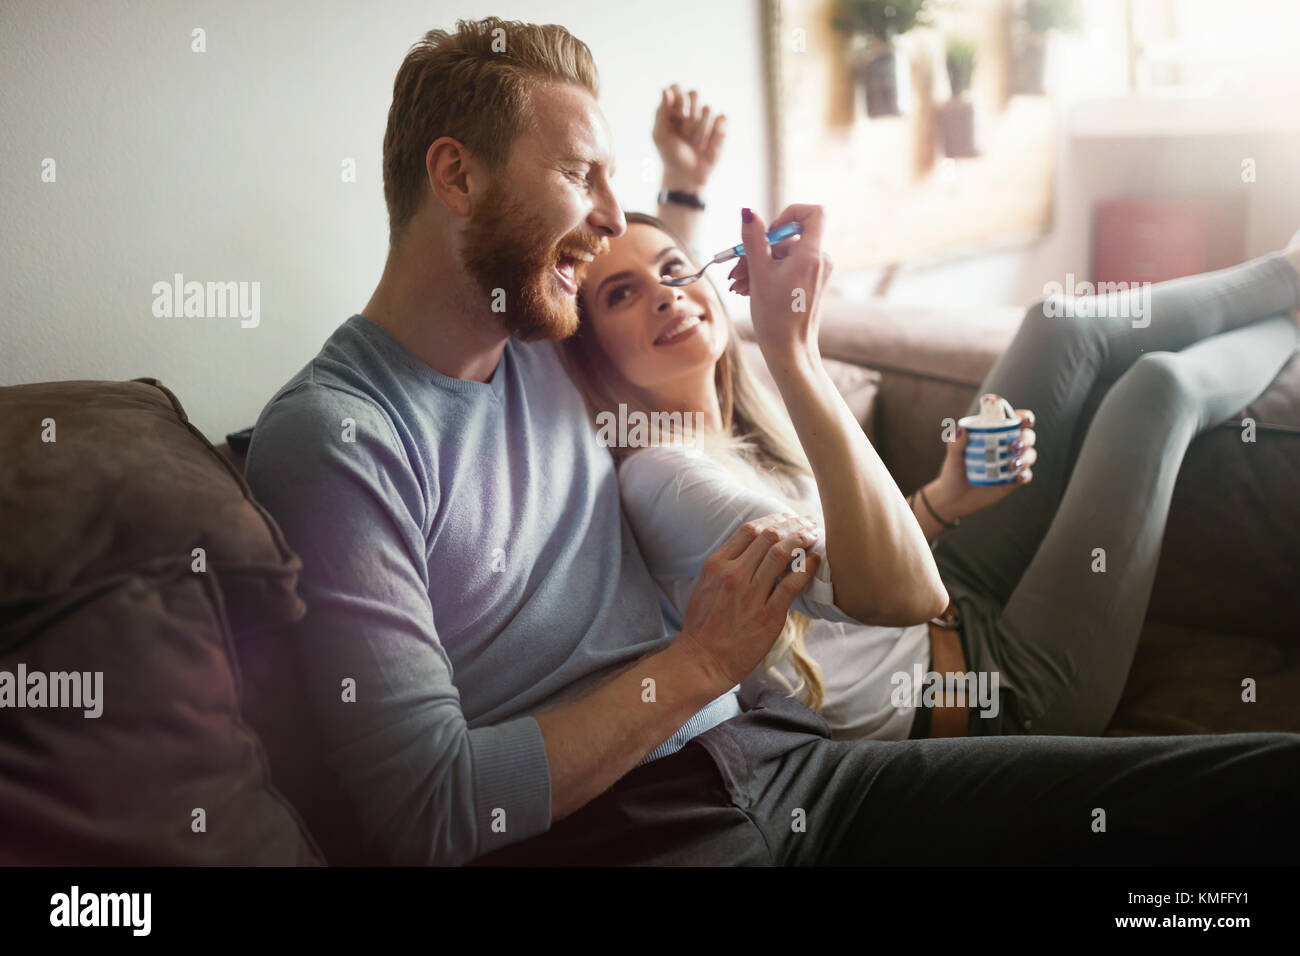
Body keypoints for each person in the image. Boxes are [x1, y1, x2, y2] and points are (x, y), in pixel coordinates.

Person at [242, 17, 1300, 867]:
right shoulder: (341, 436)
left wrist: (722, 238)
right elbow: (430, 809)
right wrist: (697, 659)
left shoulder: (541, 337)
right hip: (654, 821)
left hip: (785, 752)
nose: (612, 217)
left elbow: (654, 286)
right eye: (581, 177)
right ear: (457, 177)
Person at [559, 90, 1300, 742]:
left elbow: (864, 567)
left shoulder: (731, 419)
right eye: (619, 296)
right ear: (591, 355)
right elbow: (890, 594)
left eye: (671, 273)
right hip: (998, 695)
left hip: (952, 594)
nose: (664, 295)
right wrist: (798, 353)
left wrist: (946, 498)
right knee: (1154, 395)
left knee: (1058, 324)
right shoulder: (664, 477)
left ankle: (1289, 282)